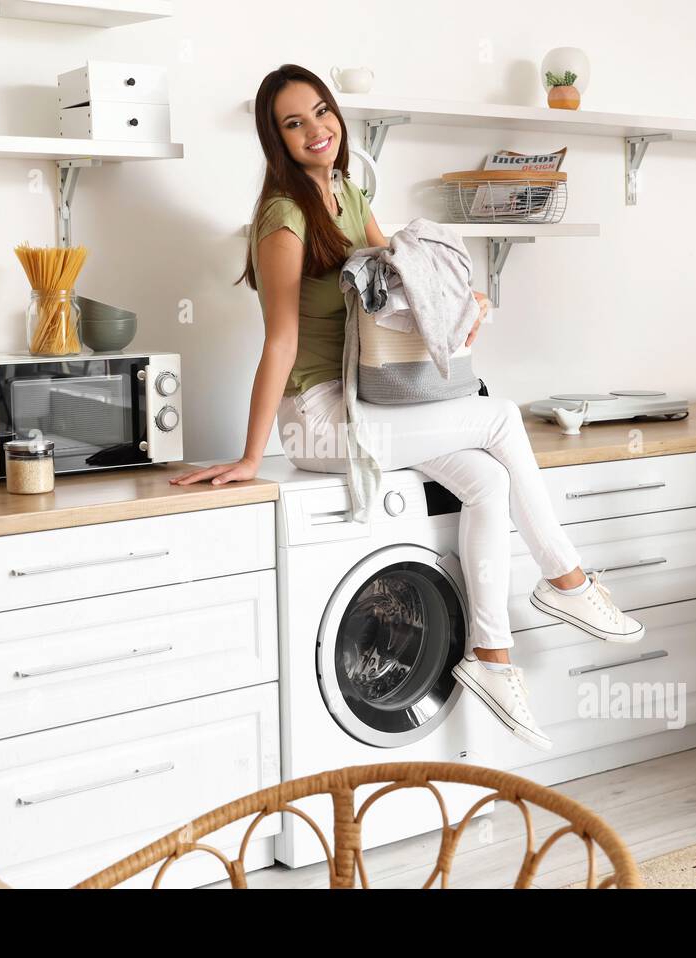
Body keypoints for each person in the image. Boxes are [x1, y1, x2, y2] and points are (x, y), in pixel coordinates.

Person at [171, 64, 643, 751]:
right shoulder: (282, 217)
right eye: (292, 123)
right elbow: (279, 341)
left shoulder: (348, 192)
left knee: (489, 479)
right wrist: (251, 456)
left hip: (368, 408)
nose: (314, 130)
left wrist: (464, 305)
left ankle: (490, 657)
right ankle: (566, 579)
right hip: (320, 418)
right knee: (501, 417)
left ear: (336, 113)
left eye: (320, 111)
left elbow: (399, 292)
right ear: (275, 140)